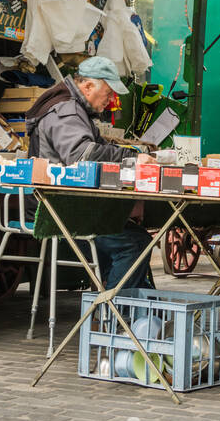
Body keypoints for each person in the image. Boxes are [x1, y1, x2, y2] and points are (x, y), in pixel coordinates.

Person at [26, 56, 155, 290]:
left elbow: (97, 147)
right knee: (135, 243)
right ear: (87, 86)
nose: (111, 100)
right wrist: (133, 158)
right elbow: (82, 154)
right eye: (108, 92)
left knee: (133, 235)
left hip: (68, 204)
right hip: (58, 209)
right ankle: (116, 313)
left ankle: (121, 312)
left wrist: (131, 153)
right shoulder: (67, 110)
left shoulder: (75, 110)